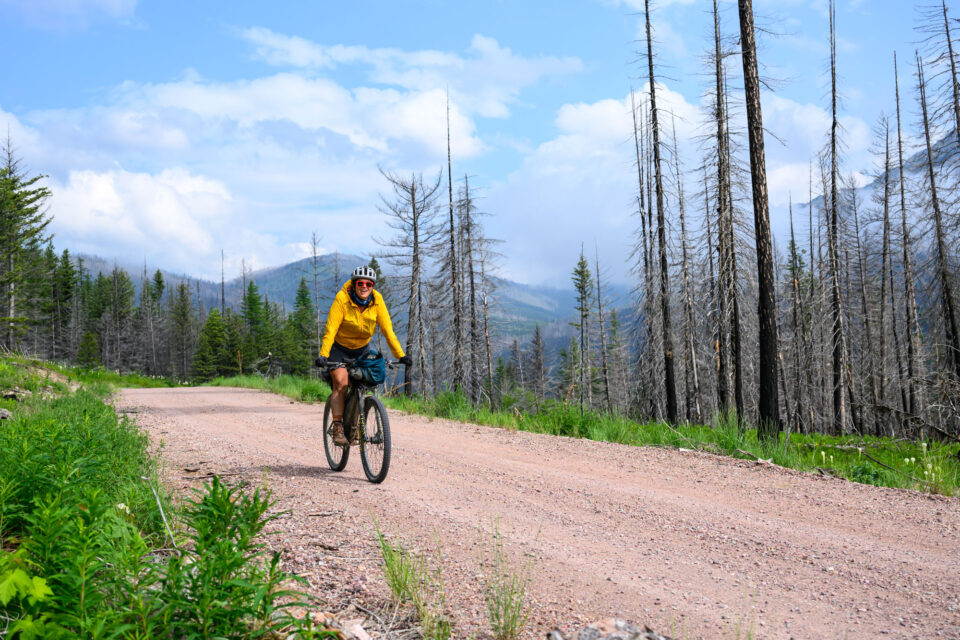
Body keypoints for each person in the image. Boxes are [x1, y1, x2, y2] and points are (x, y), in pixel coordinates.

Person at [316, 265, 411, 445]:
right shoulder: (342, 299)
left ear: (372, 286)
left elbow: (387, 330)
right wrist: (323, 355)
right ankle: (337, 427)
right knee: (341, 383)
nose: (364, 286)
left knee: (365, 382)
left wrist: (400, 354)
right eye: (361, 283)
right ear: (354, 283)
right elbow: (331, 329)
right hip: (339, 349)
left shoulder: (377, 300)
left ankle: (355, 426)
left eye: (369, 283)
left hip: (362, 349)